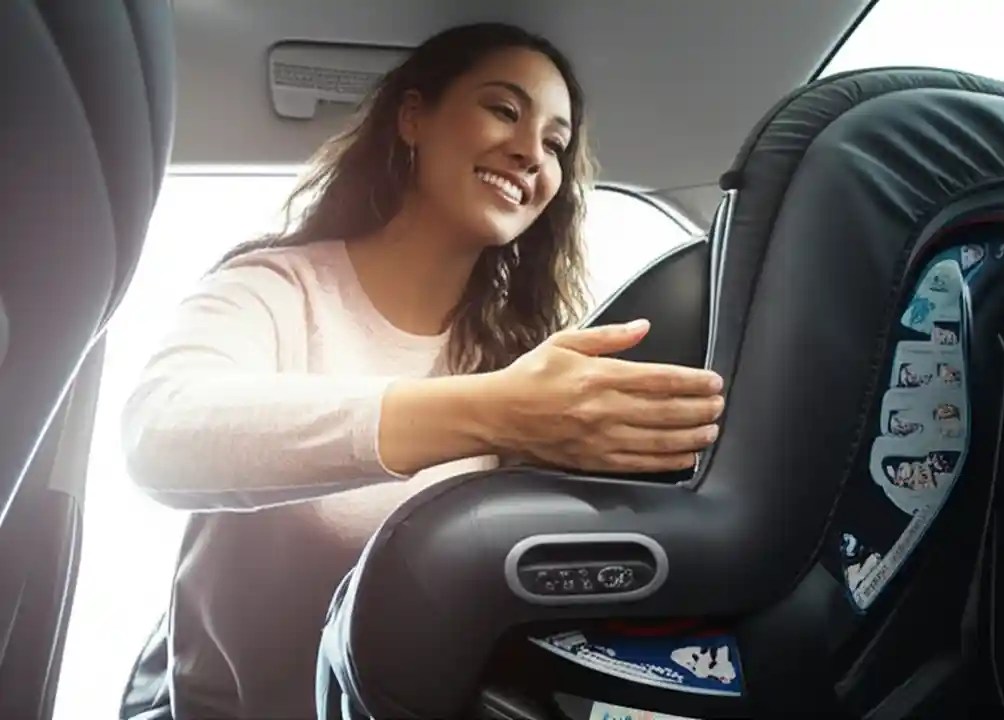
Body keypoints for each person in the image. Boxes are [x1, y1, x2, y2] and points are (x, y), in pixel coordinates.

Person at [117, 22, 724, 720]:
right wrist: (491, 412)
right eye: (504, 109)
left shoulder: (531, 358)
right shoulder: (276, 290)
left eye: (555, 144)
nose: (531, 151)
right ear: (413, 118)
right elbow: (159, 437)